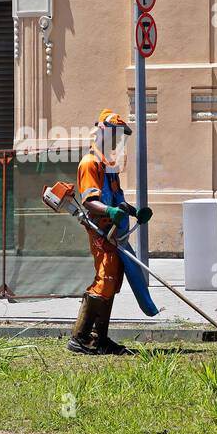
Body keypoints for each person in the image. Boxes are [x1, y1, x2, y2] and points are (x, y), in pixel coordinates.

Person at [69, 109, 151, 354]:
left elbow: (118, 200)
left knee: (112, 282)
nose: (117, 139)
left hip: (115, 234)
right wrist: (109, 212)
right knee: (104, 280)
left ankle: (99, 338)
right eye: (114, 133)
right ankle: (80, 338)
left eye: (120, 135)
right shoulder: (90, 163)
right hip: (100, 231)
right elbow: (89, 201)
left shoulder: (109, 165)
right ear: (103, 130)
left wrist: (135, 212)